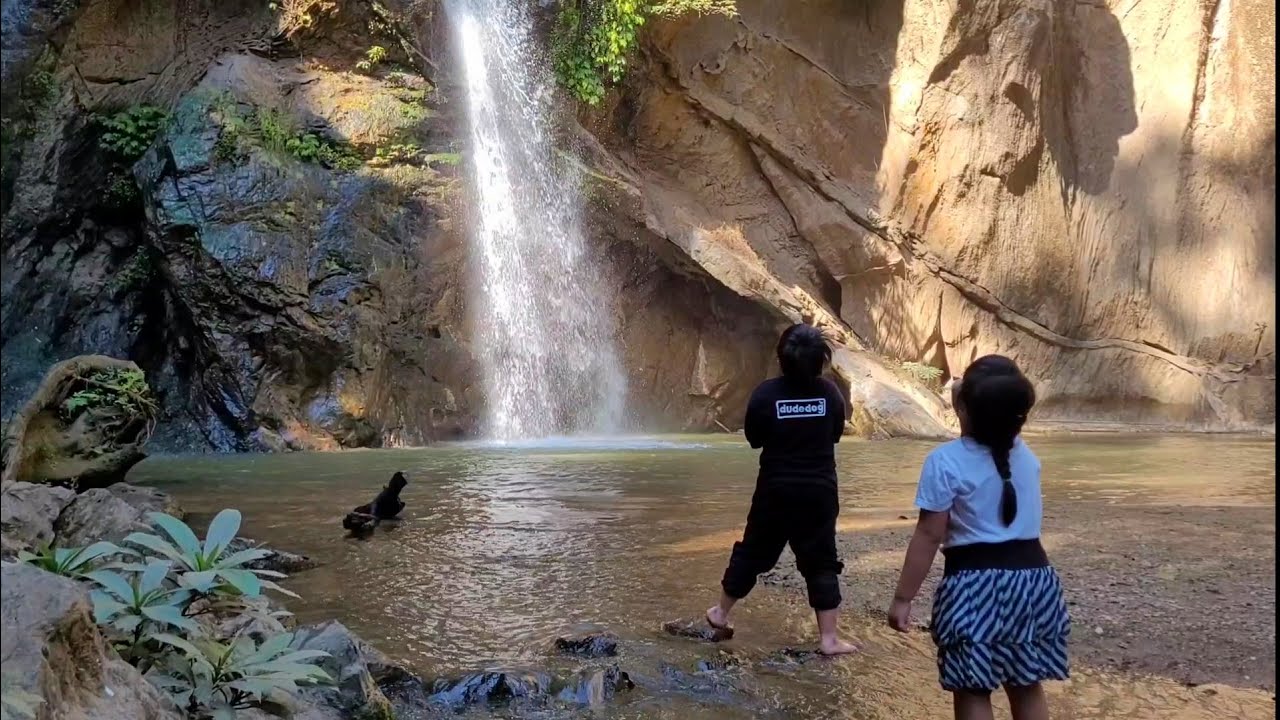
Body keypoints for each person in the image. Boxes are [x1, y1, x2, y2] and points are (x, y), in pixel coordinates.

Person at [887, 355, 1070, 720]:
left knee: (973, 687)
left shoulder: (945, 461)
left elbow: (929, 535)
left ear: (962, 408)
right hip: (1034, 581)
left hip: (974, 585)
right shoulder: (1025, 456)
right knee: (1026, 683)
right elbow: (991, 408)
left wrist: (903, 598)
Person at [705, 323, 858, 655]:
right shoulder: (830, 394)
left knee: (752, 552)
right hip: (818, 492)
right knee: (821, 560)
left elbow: (754, 439)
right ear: (821, 361)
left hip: (775, 491)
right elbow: (834, 434)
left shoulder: (765, 394)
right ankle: (829, 639)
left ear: (781, 359)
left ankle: (720, 613)